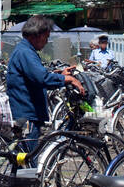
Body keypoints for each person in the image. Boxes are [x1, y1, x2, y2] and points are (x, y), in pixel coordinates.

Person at [7, 15, 86, 154]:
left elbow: (36, 75)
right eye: (46, 36)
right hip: (27, 114)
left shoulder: (26, 50)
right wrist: (67, 80)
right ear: (37, 35)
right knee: (28, 160)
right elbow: (41, 78)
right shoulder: (25, 52)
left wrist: (60, 75)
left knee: (23, 158)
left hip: (27, 112)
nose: (47, 41)